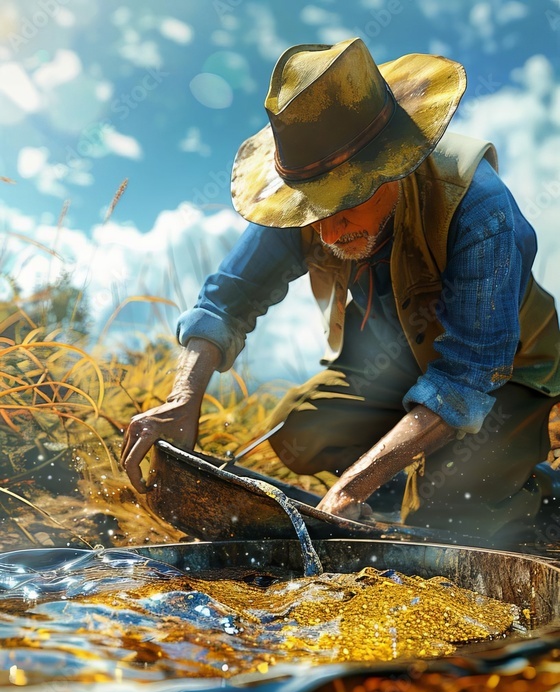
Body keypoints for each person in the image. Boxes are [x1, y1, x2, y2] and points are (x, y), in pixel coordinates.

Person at [121, 37, 560, 542]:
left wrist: (354, 484)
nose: (328, 232)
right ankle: (409, 482)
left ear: (395, 162)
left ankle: (531, 491)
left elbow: (468, 377)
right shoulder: (303, 193)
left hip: (503, 372)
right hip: (397, 360)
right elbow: (226, 300)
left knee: (448, 521)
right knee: (300, 432)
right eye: (315, 209)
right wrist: (183, 399)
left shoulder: (480, 208)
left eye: (347, 200)